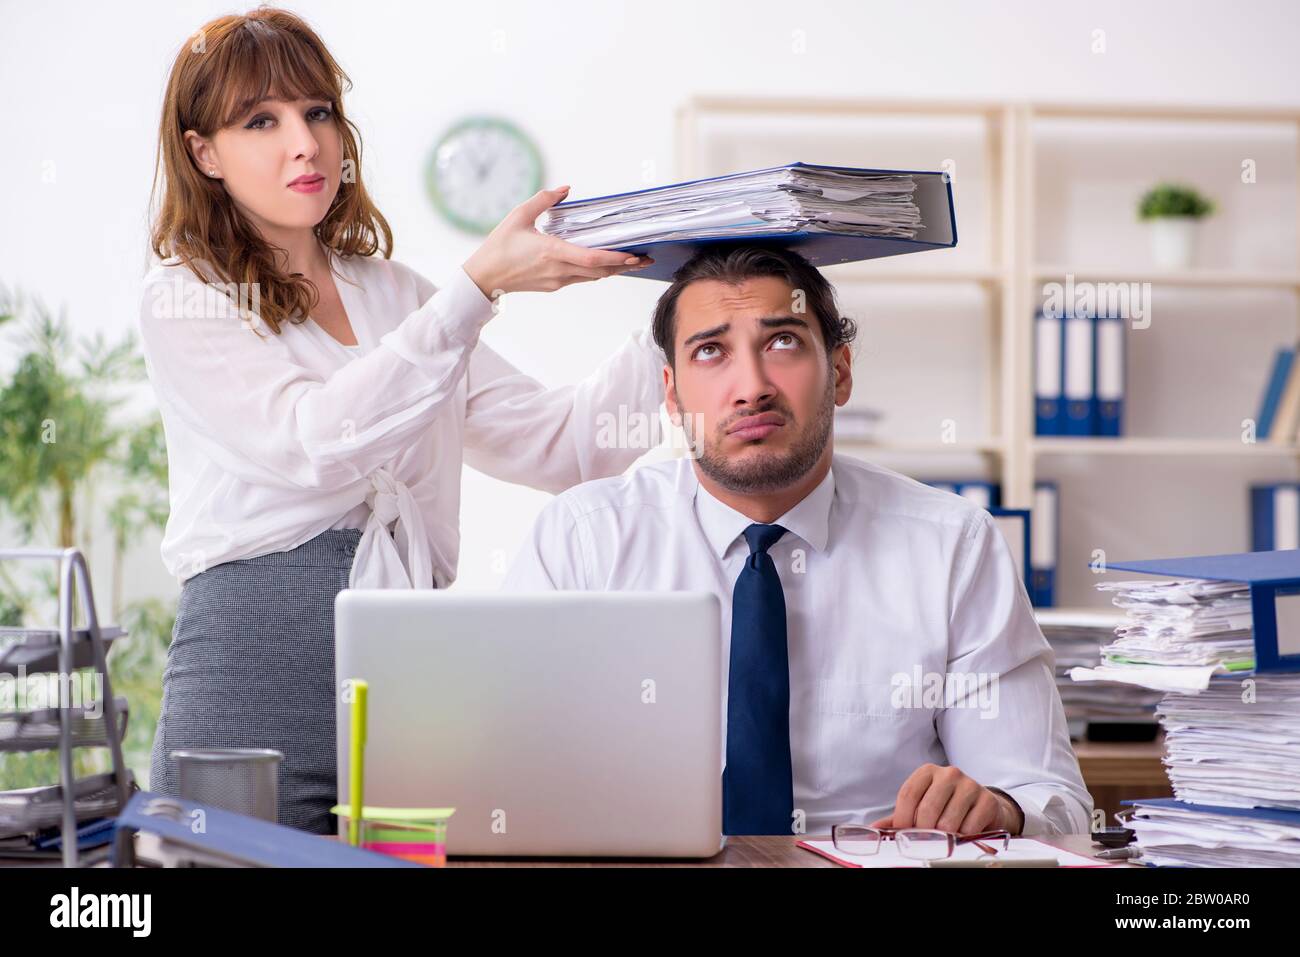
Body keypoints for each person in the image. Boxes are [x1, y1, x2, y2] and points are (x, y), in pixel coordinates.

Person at [140, 8, 664, 833]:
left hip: (407, 676)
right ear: (204, 151)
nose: (304, 143)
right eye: (261, 121)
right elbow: (314, 445)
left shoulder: (398, 296)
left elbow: (566, 447)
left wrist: (681, 314)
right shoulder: (186, 296)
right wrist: (476, 288)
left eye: (317, 112)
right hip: (251, 676)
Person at [504, 244, 1093, 837]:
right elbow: (504, 777)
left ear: (840, 372)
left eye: (782, 342)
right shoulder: (583, 539)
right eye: (710, 352)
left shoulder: (952, 546)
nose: (751, 387)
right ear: (673, 397)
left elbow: (1054, 801)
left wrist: (999, 809)